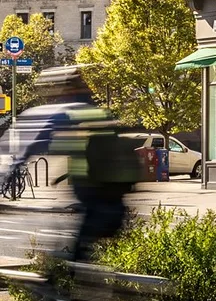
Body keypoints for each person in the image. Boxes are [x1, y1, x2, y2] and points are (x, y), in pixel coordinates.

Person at [12, 66, 139, 261]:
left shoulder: (69, 113)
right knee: (87, 245)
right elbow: (93, 149)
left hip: (91, 190)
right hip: (115, 192)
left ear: (68, 90)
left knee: (77, 256)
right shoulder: (99, 112)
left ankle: (73, 281)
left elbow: (38, 142)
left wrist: (15, 165)